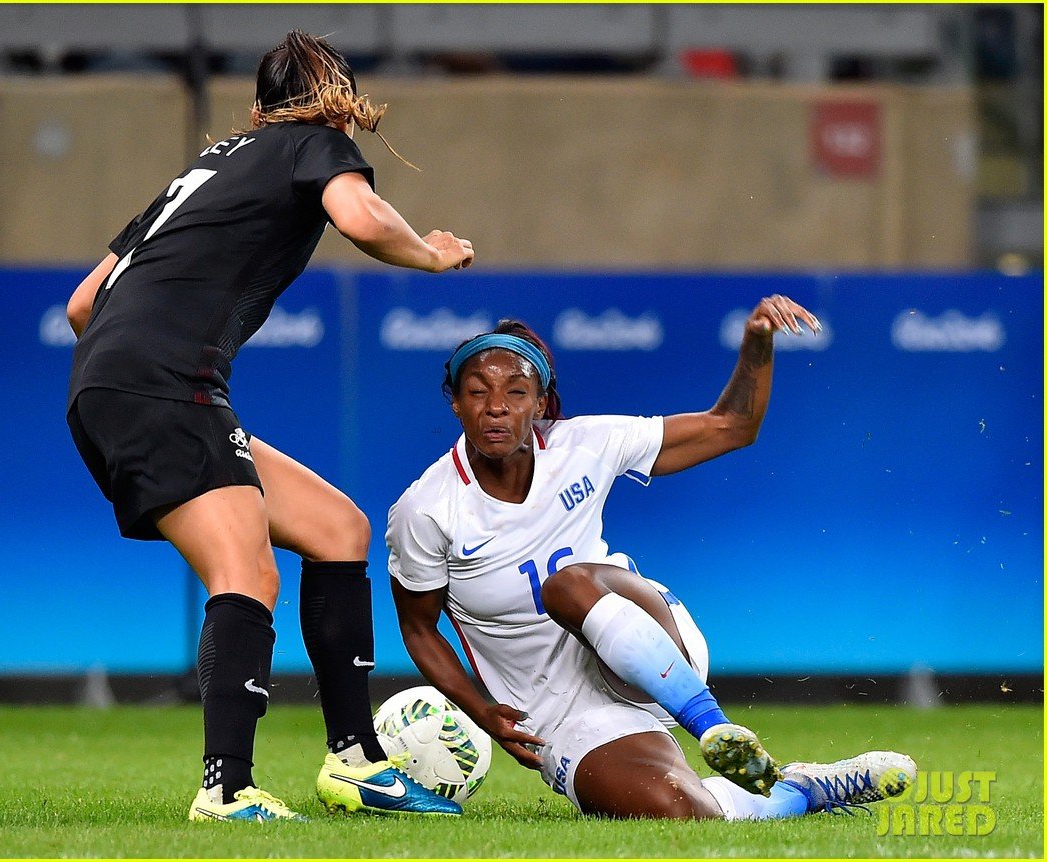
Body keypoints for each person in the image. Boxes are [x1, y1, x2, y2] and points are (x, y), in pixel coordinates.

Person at [65, 31, 471, 822]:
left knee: (336, 528)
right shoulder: (313, 145)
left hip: (128, 384)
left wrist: (133, 366)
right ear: (344, 113)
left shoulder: (206, 166)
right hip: (162, 388)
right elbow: (358, 215)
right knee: (246, 573)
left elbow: (84, 304)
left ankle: (356, 762)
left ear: (256, 107)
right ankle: (225, 789)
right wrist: (428, 253)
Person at [386, 297, 916, 820]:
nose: (496, 407)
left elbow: (732, 426)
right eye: (477, 393)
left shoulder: (586, 444)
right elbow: (420, 628)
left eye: (516, 392)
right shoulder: (426, 509)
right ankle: (803, 790)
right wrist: (483, 713)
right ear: (455, 402)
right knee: (677, 809)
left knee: (565, 585)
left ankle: (714, 727)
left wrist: (756, 344)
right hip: (558, 713)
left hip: (652, 644)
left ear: (543, 403)